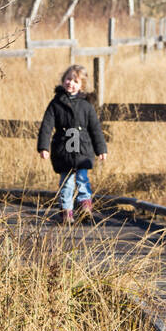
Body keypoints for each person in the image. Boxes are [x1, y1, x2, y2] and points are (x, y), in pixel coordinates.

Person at [37, 65, 107, 224]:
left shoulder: (86, 105)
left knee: (83, 179)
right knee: (67, 182)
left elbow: (95, 128)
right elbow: (47, 126)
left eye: (75, 81)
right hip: (63, 148)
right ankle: (66, 212)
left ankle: (85, 209)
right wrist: (43, 147)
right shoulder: (56, 103)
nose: (71, 83)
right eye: (68, 79)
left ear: (81, 85)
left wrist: (101, 149)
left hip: (82, 147)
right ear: (63, 81)